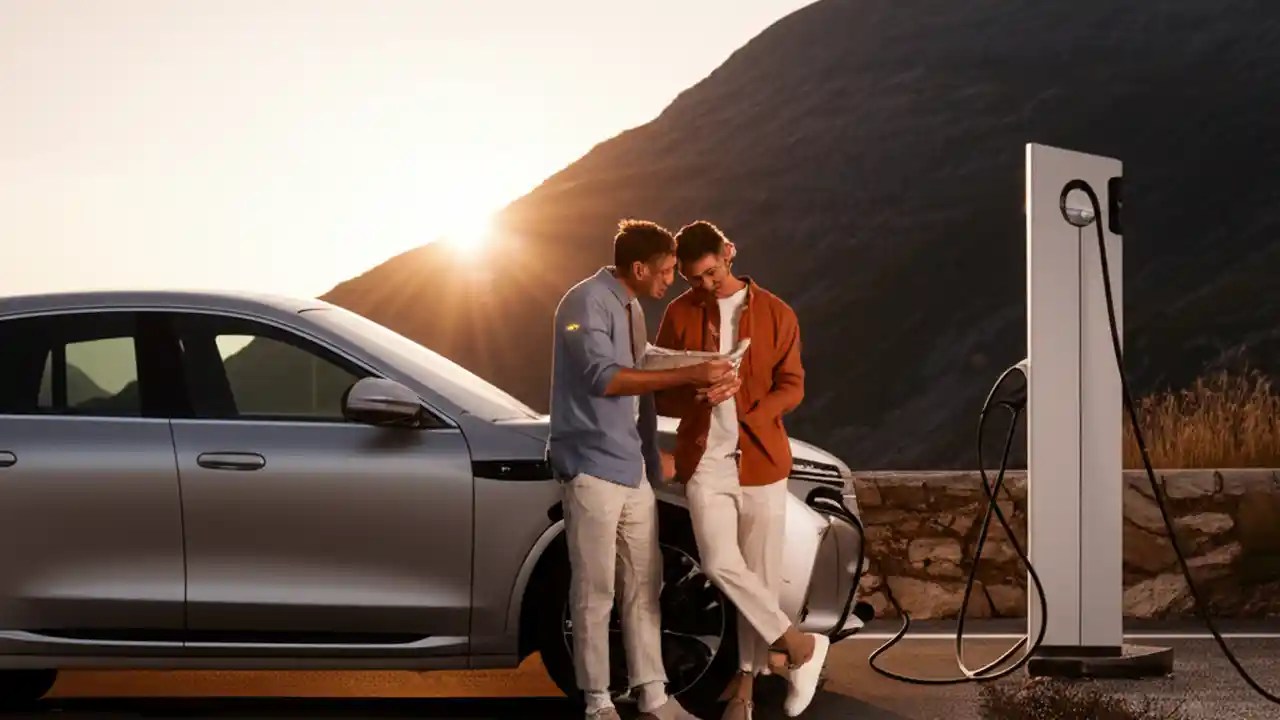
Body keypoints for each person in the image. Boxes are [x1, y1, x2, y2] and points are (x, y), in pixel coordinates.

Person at [548, 218, 733, 720]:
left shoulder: (628, 306)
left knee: (644, 586)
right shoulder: (584, 302)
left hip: (630, 469)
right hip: (591, 467)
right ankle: (598, 702)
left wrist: (707, 360)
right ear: (638, 267)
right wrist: (694, 371)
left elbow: (645, 359)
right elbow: (602, 377)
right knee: (594, 590)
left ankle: (652, 694)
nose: (671, 280)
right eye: (668, 271)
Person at [653, 221, 829, 719]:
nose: (705, 286)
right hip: (704, 458)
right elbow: (660, 389)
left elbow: (792, 385)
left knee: (762, 577)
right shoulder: (678, 313)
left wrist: (750, 408)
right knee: (718, 562)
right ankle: (801, 646)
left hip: (762, 460)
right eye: (693, 280)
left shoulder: (777, 312)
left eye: (710, 273)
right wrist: (693, 387)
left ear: (728, 253)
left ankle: (747, 686)